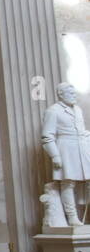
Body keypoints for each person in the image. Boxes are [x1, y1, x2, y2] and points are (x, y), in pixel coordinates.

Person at [41, 81, 90, 226]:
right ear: (60, 95)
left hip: (82, 148)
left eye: (75, 93)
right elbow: (47, 136)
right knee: (68, 183)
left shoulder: (78, 110)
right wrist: (55, 155)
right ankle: (72, 217)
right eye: (70, 93)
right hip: (66, 150)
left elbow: (81, 130)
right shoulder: (53, 111)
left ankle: (86, 215)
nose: (74, 96)